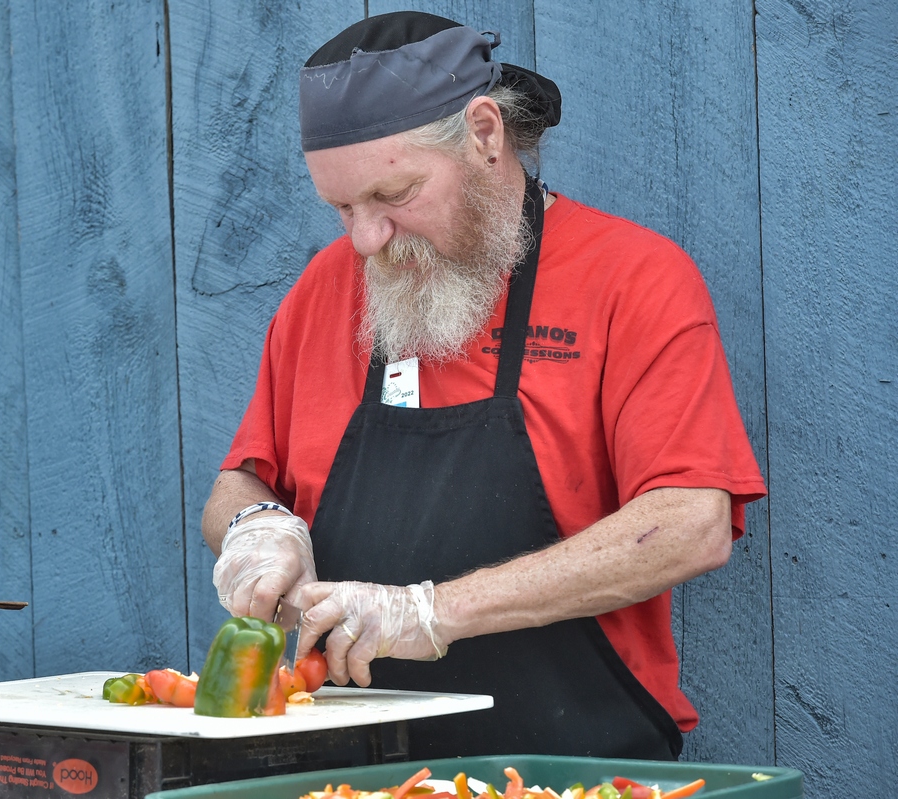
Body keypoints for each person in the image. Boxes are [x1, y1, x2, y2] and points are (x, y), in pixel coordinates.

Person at [202, 11, 766, 760]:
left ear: (485, 134)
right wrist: (258, 529)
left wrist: (435, 612)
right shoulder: (323, 289)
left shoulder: (633, 279)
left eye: (393, 194)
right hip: (341, 769)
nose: (366, 239)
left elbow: (692, 522)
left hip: (573, 767)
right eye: (342, 209)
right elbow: (242, 480)